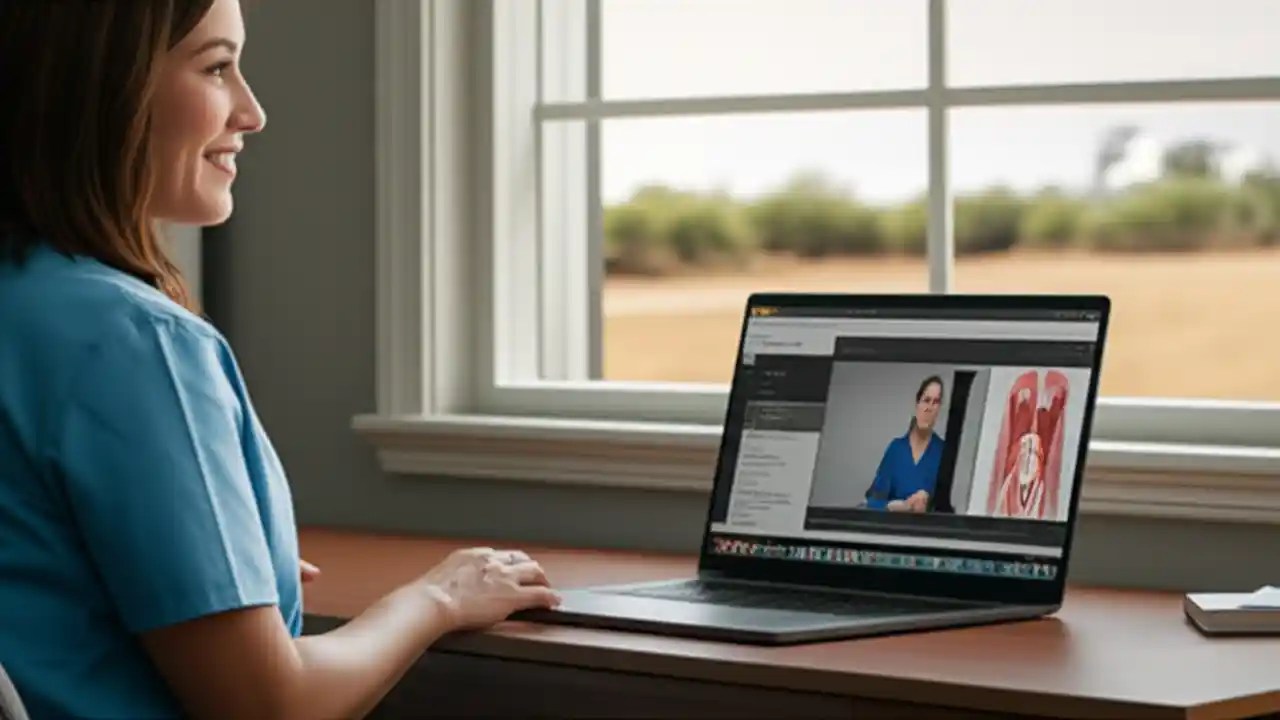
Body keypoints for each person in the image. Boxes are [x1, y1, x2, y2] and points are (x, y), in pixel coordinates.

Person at [0, 2, 560, 719]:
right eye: (216, 67)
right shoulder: (134, 341)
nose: (252, 111)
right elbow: (271, 705)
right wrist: (436, 598)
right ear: (101, 87)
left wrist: (205, 559)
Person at [863, 375, 946, 513]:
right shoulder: (896, 450)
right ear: (917, 404)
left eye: (935, 402)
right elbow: (872, 502)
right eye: (926, 400)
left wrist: (928, 503)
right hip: (893, 528)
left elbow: (949, 511)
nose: (929, 408)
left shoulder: (944, 454)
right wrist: (892, 507)